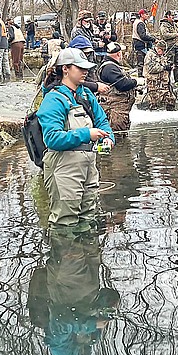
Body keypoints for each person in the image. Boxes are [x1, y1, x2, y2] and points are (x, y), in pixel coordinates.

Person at [36, 47, 115, 232]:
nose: (85, 71)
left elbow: (102, 120)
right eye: (80, 68)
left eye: (86, 68)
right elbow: (52, 139)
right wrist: (87, 134)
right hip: (63, 167)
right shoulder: (53, 99)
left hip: (88, 164)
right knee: (66, 221)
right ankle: (65, 258)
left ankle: (89, 257)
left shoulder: (85, 94)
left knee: (88, 215)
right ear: (65, 69)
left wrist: (109, 137)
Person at [28, 229, 117, 355]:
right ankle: (87, 219)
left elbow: (61, 321)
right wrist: (109, 305)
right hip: (89, 286)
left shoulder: (62, 353)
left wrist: (92, 324)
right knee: (90, 238)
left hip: (67, 287)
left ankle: (66, 216)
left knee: (68, 239)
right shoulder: (89, 345)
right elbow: (95, 311)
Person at [97, 42, 144, 132]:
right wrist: (136, 81)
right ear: (119, 54)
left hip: (118, 112)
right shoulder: (110, 67)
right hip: (114, 113)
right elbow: (122, 84)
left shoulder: (110, 66)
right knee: (118, 138)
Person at [143, 40, 176, 111]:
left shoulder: (161, 56)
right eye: (162, 50)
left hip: (163, 83)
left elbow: (164, 66)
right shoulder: (150, 55)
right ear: (158, 48)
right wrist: (163, 67)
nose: (163, 52)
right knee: (154, 103)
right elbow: (150, 69)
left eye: (164, 51)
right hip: (153, 83)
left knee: (171, 100)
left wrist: (169, 67)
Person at [158, 10, 178, 81]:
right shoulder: (164, 25)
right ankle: (168, 79)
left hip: (176, 45)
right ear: (168, 16)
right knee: (169, 64)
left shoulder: (174, 24)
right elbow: (165, 35)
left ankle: (177, 78)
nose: (173, 17)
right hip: (169, 46)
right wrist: (176, 34)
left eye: (174, 16)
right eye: (172, 16)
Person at [131, 9, 155, 74]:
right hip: (141, 46)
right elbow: (143, 36)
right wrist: (153, 39)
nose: (148, 15)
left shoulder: (137, 22)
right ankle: (141, 79)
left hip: (139, 45)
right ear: (141, 15)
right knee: (141, 64)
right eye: (146, 14)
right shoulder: (140, 23)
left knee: (141, 64)